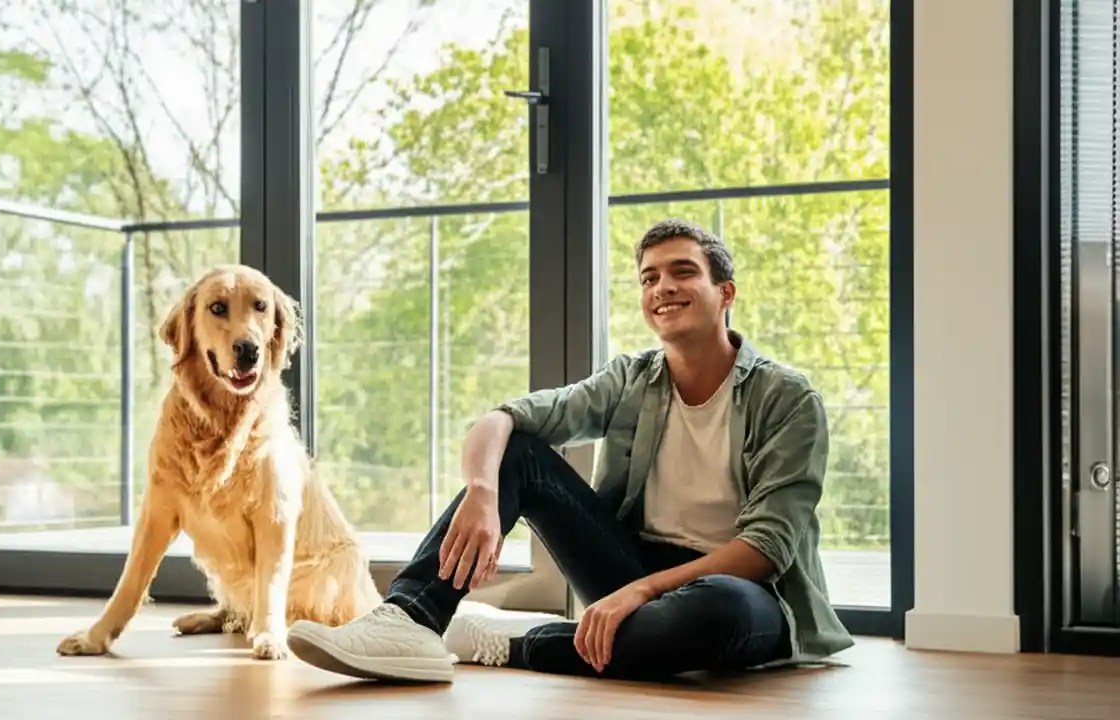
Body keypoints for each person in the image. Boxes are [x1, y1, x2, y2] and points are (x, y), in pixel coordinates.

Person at [285, 219, 854, 683]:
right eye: (648, 278)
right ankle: (411, 616)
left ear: (724, 293)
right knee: (518, 451)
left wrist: (640, 592)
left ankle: (508, 641)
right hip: (634, 561)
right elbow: (503, 418)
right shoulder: (632, 378)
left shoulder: (787, 398)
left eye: (683, 273)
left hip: (743, 588)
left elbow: (764, 548)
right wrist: (483, 493)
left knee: (712, 619)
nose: (663, 289)